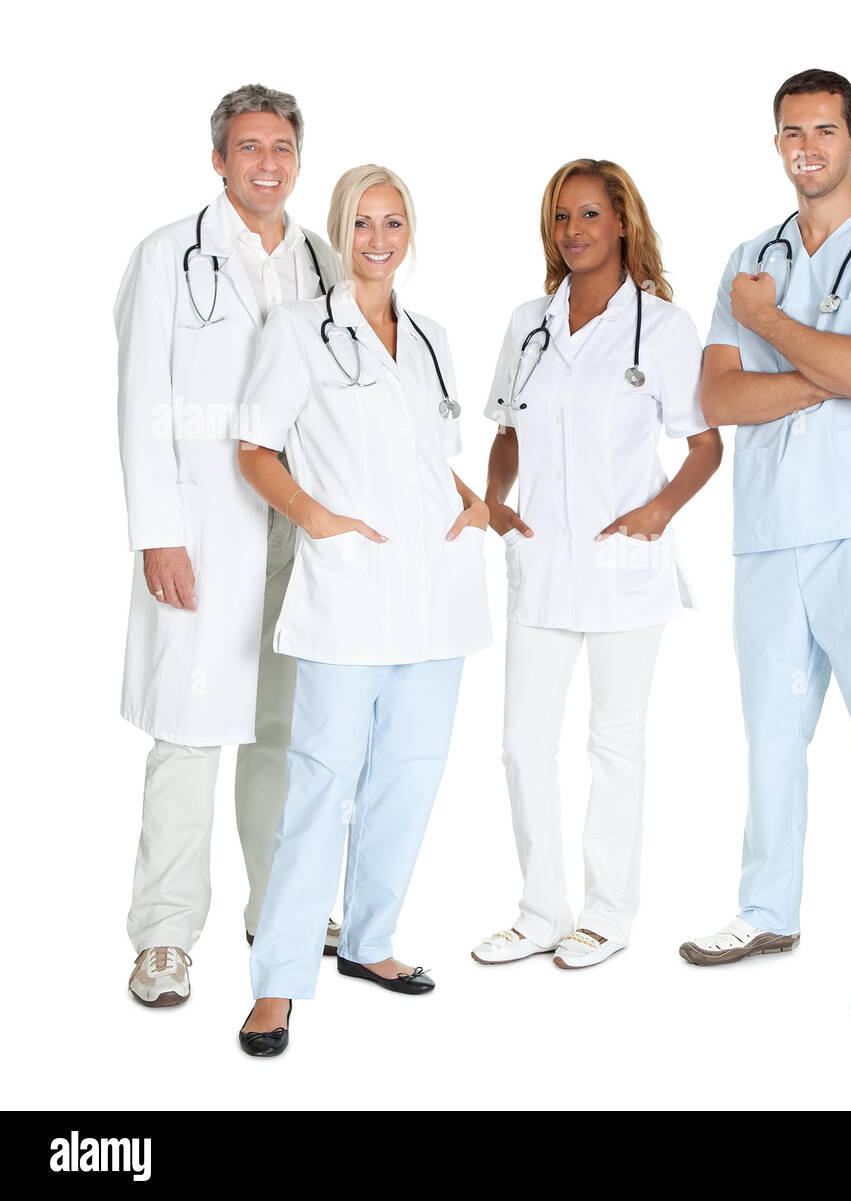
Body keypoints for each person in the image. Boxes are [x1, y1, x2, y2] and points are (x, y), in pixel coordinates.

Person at [678, 68, 851, 1023]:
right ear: (777, 142)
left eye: (826, 130)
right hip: (767, 530)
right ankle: (766, 909)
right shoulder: (749, 254)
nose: (809, 147)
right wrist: (827, 368)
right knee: (770, 734)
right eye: (793, 131)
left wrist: (769, 329)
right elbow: (717, 399)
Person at [234, 165, 491, 1056]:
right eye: (361, 222)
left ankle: (372, 941)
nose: (378, 238)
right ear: (339, 232)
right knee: (321, 781)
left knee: (409, 774)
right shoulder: (298, 330)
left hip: (438, 591)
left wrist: (473, 501)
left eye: (394, 222)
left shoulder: (432, 338)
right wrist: (316, 519)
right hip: (349, 593)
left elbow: (431, 449)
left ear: (409, 231)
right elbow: (256, 448)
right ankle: (278, 982)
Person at [115, 84, 341, 1008]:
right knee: (192, 731)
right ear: (219, 160)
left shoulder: (324, 258)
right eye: (249, 147)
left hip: (298, 522)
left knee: (282, 730)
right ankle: (164, 936)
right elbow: (140, 404)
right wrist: (158, 532)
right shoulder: (170, 255)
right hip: (207, 531)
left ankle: (276, 911)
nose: (267, 163)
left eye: (281, 146)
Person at [471, 159, 721, 971]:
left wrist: (661, 509)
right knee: (521, 742)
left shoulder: (665, 326)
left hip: (624, 562)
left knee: (615, 745)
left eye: (587, 215)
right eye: (560, 219)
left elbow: (705, 444)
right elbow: (506, 431)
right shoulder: (528, 323)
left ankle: (606, 911)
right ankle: (541, 907)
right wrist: (494, 496)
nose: (572, 232)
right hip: (541, 560)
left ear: (622, 223)